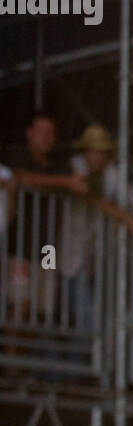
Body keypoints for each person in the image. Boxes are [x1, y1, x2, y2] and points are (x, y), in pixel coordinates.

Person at [64, 125, 133, 336]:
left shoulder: (113, 173)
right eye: (94, 150)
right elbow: (89, 194)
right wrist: (126, 218)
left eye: (102, 151)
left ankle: (87, 365)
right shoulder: (75, 166)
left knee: (94, 319)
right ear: (85, 151)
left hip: (99, 260)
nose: (97, 156)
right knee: (83, 319)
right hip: (72, 258)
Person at [6, 110, 87, 327]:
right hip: (19, 247)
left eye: (50, 133)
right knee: (20, 300)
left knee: (40, 306)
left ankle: (24, 358)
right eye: (41, 131)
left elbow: (81, 185)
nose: (46, 137)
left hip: (47, 249)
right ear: (29, 133)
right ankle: (11, 360)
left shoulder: (57, 165)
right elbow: (20, 177)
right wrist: (65, 182)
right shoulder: (19, 155)